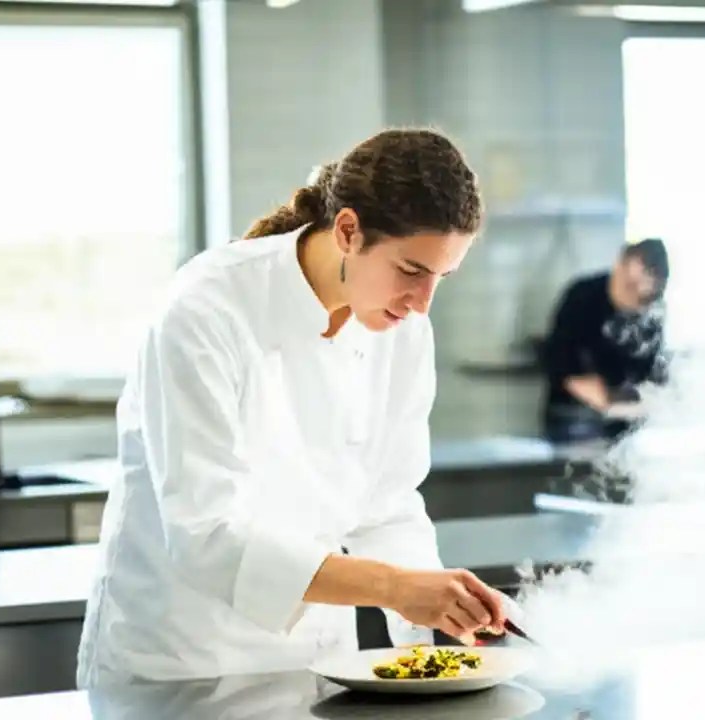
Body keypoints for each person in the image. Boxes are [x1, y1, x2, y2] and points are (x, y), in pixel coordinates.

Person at [76, 129, 509, 685]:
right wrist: (394, 588)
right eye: (411, 271)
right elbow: (205, 537)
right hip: (181, 665)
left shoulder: (401, 331)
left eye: (441, 278)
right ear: (349, 231)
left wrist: (433, 627)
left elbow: (388, 504)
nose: (423, 303)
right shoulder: (207, 310)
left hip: (313, 666)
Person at [540, 238, 669, 443]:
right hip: (571, 420)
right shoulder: (581, 297)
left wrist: (648, 401)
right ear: (619, 265)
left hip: (625, 427)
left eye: (645, 297)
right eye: (630, 286)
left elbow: (651, 373)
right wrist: (607, 402)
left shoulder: (652, 316)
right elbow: (559, 363)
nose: (635, 299)